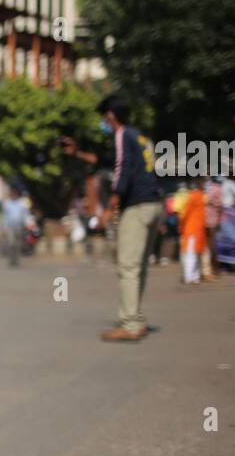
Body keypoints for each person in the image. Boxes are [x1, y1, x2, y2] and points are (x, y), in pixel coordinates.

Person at [62, 95, 162, 340]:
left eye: (104, 117)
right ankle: (136, 319)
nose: (103, 122)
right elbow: (110, 162)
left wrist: (110, 208)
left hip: (136, 207)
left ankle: (129, 325)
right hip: (154, 204)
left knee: (127, 266)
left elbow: (124, 171)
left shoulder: (122, 135)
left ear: (111, 115)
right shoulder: (139, 137)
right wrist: (78, 154)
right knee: (139, 268)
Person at [180, 181, 207, 285]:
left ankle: (188, 277)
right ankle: (195, 276)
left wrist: (181, 227)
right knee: (196, 254)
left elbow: (185, 214)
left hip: (191, 229)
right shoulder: (201, 196)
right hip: (199, 229)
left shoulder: (192, 197)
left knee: (190, 254)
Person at [0, 185, 29, 267]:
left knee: (18, 244)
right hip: (10, 227)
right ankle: (11, 260)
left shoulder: (22, 203)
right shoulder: (7, 204)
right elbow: (4, 216)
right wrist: (4, 227)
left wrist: (27, 224)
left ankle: (16, 260)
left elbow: (25, 215)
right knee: (11, 243)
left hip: (19, 226)